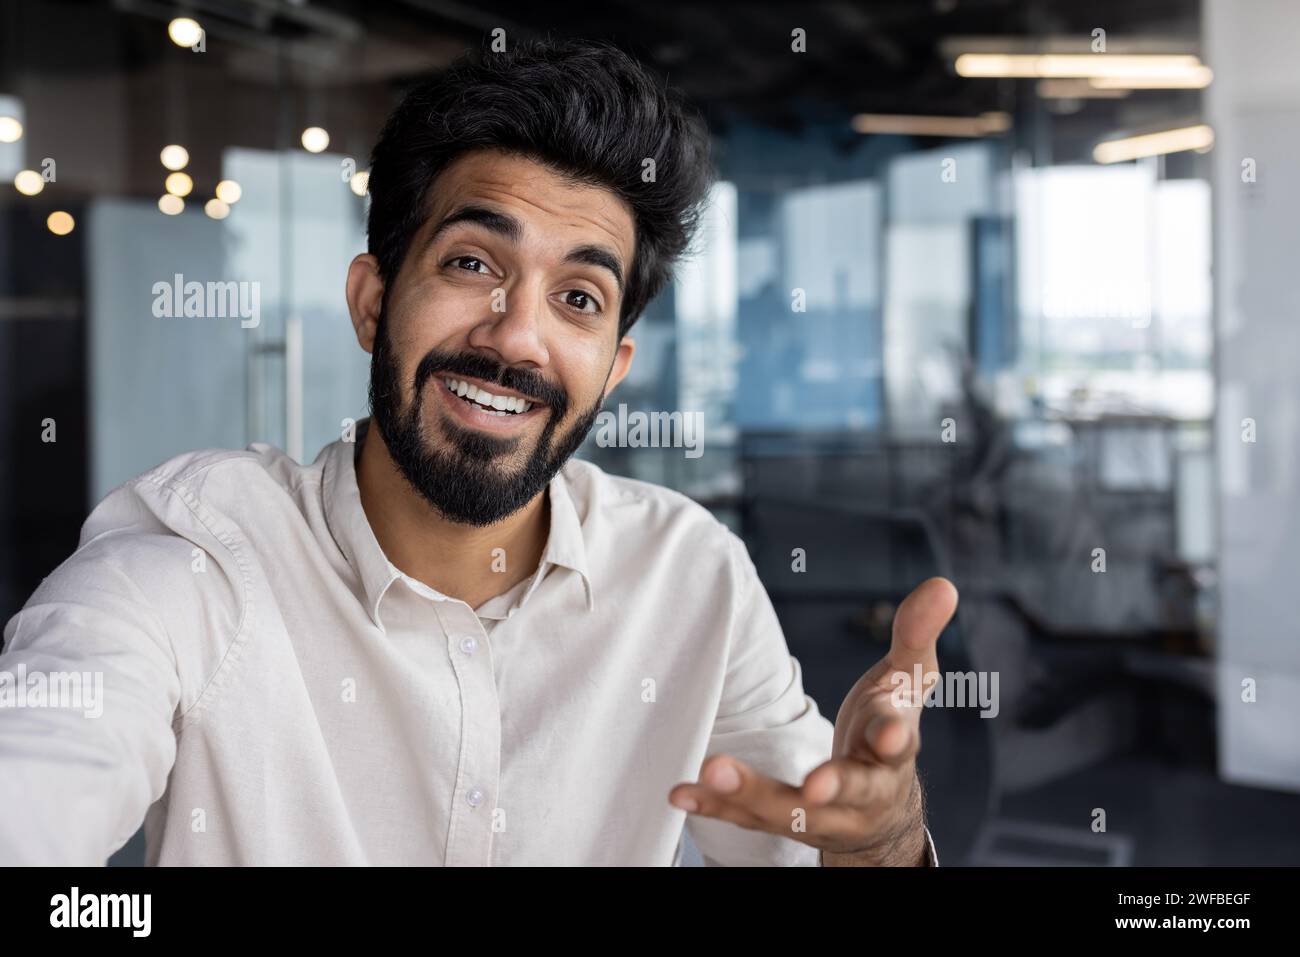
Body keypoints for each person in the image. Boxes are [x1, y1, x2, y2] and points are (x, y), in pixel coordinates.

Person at [0, 38, 954, 866]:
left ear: (614, 367)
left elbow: (828, 841)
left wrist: (879, 832)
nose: (516, 337)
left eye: (578, 297)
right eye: (472, 264)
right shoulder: (189, 575)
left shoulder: (689, 572)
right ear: (373, 301)